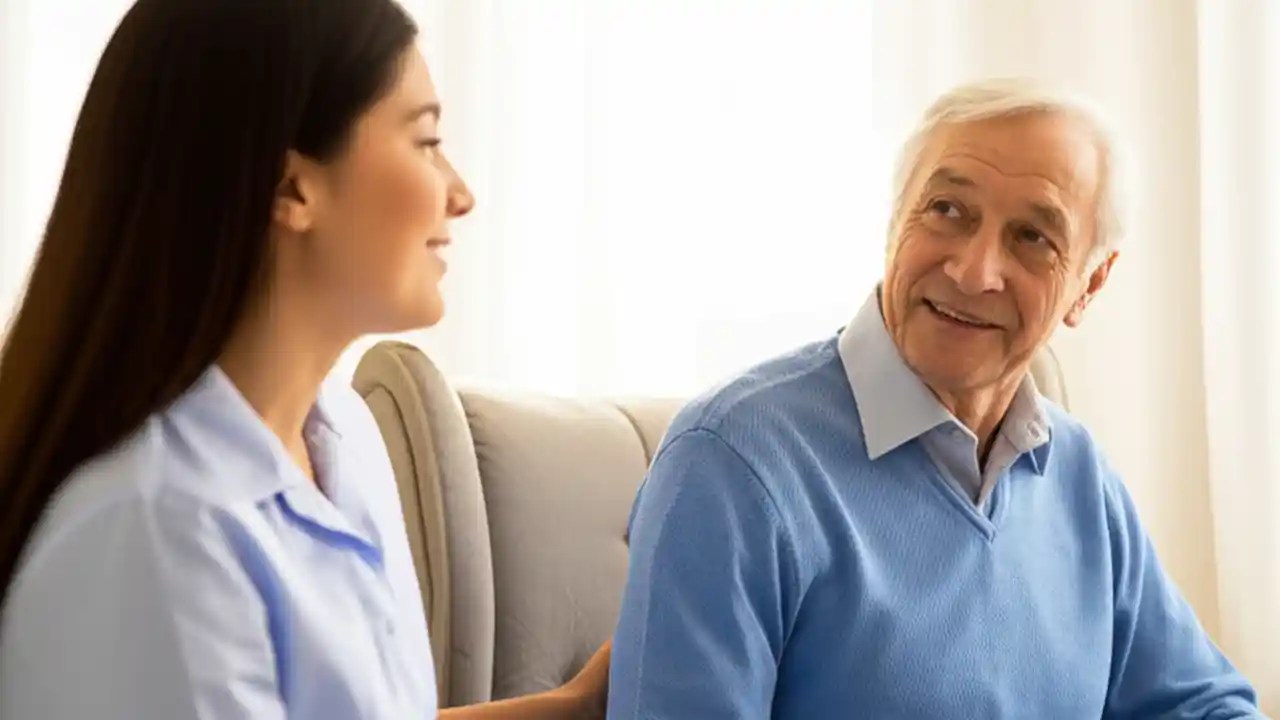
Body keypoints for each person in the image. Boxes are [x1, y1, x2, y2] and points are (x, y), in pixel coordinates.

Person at [0, 1, 608, 718]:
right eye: (426, 141)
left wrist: (576, 706)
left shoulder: (340, 437)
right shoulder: (159, 532)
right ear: (292, 187)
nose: (460, 193)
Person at [608, 78, 1265, 719]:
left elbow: (1208, 704)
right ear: (896, 221)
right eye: (949, 211)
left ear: (1090, 284)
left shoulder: (1077, 472)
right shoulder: (731, 463)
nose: (974, 271)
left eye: (1032, 237)